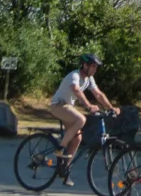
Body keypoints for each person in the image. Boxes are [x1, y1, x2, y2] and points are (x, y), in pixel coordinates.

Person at [48, 53, 113, 184]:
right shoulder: (75, 76)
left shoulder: (89, 79)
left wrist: (111, 108)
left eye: (96, 67)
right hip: (58, 106)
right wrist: (89, 106)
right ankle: (60, 148)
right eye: (93, 66)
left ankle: (64, 170)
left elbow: (99, 94)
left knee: (77, 138)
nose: (95, 69)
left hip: (67, 107)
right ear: (85, 65)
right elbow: (76, 90)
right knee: (81, 120)